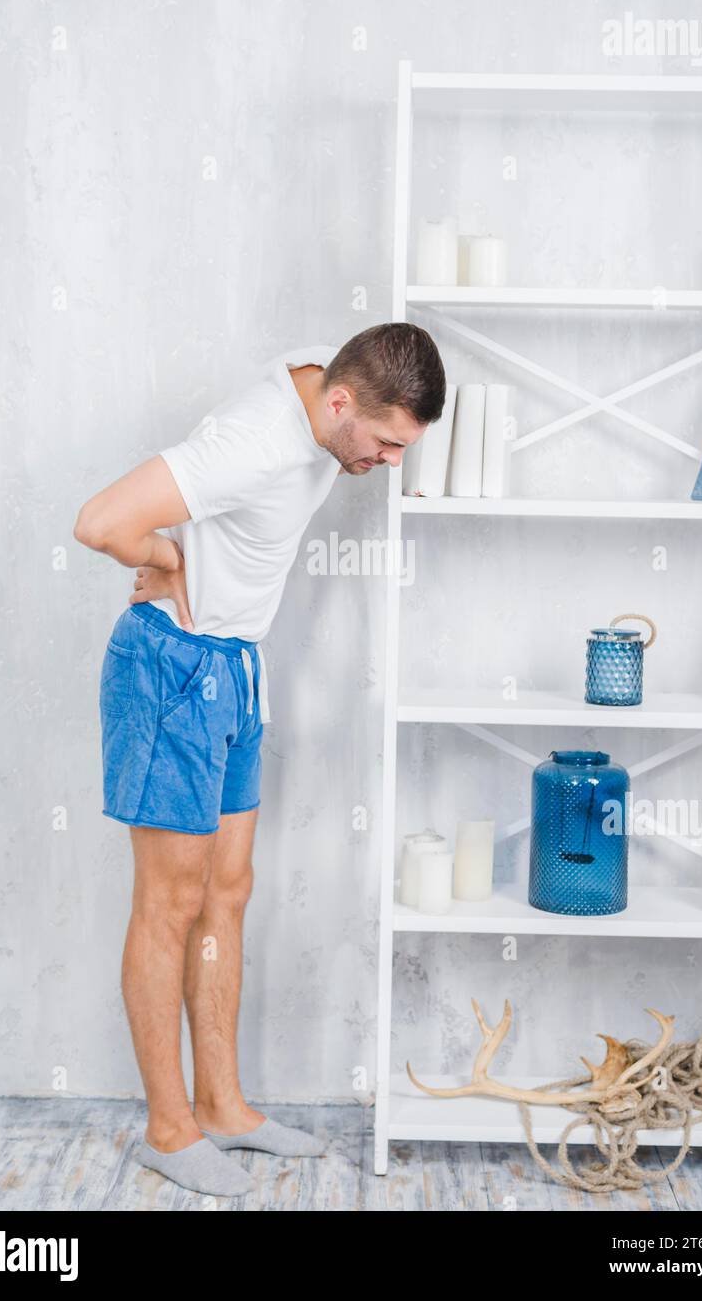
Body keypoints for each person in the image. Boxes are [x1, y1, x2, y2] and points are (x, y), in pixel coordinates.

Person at [74, 323, 446, 1196]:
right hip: (170, 669)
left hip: (235, 668)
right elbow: (97, 521)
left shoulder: (330, 381)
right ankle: (168, 1130)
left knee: (227, 893)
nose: (390, 462)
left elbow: (334, 354)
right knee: (168, 902)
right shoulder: (254, 442)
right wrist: (164, 555)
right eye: (387, 444)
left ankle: (223, 1105)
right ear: (341, 405)